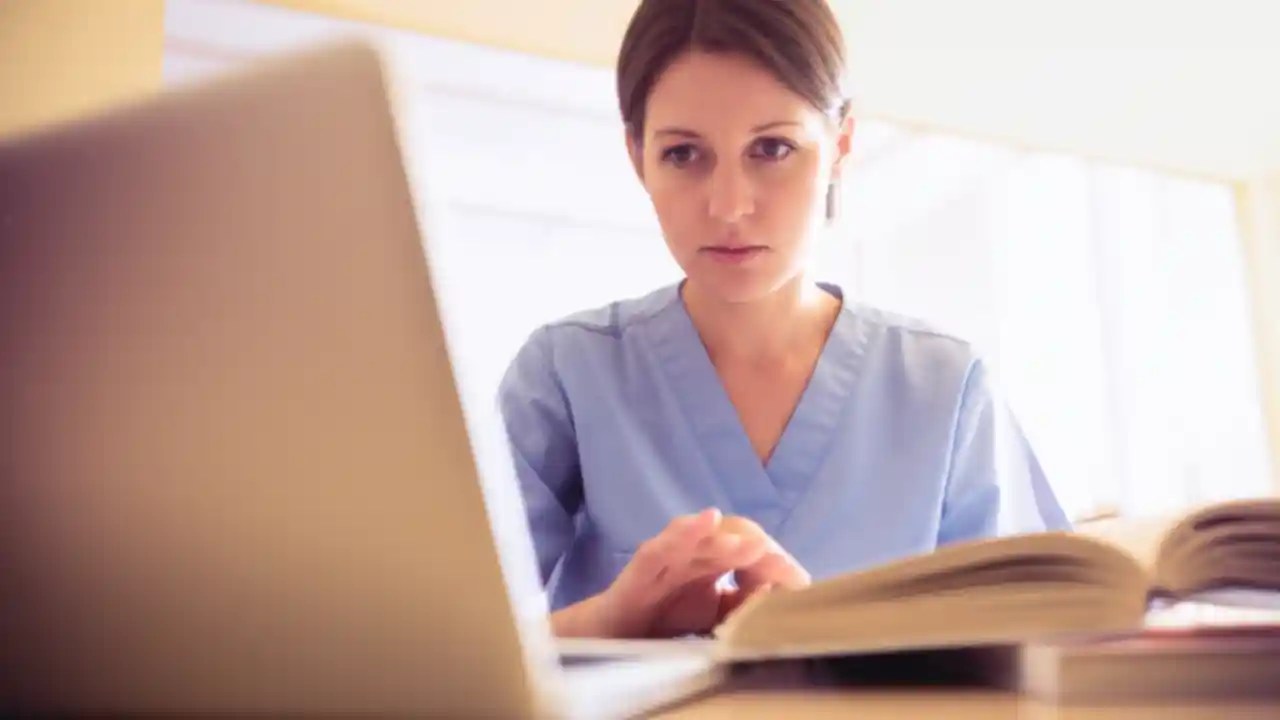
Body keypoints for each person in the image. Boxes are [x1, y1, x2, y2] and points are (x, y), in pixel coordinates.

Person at [498, 0, 1070, 639]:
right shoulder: (567, 376)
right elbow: (437, 647)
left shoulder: (946, 388)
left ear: (840, 146)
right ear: (638, 157)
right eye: (684, 155)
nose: (729, 205)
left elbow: (1041, 652)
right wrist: (613, 617)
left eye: (772, 148)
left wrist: (825, 634)